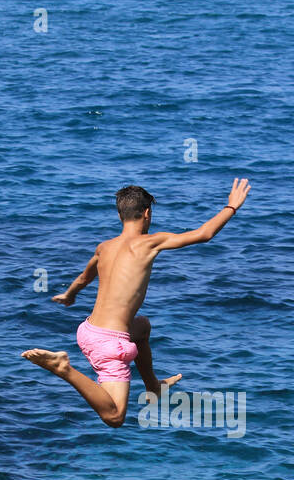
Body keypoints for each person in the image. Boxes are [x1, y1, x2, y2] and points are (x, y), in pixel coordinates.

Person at [22, 178, 251, 427]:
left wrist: (70, 295)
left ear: (120, 215)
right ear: (147, 213)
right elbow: (204, 234)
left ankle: (153, 386)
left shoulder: (105, 247)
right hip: (109, 343)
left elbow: (83, 277)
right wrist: (232, 207)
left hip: (88, 331)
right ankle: (63, 368)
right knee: (114, 417)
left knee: (141, 327)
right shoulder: (150, 242)